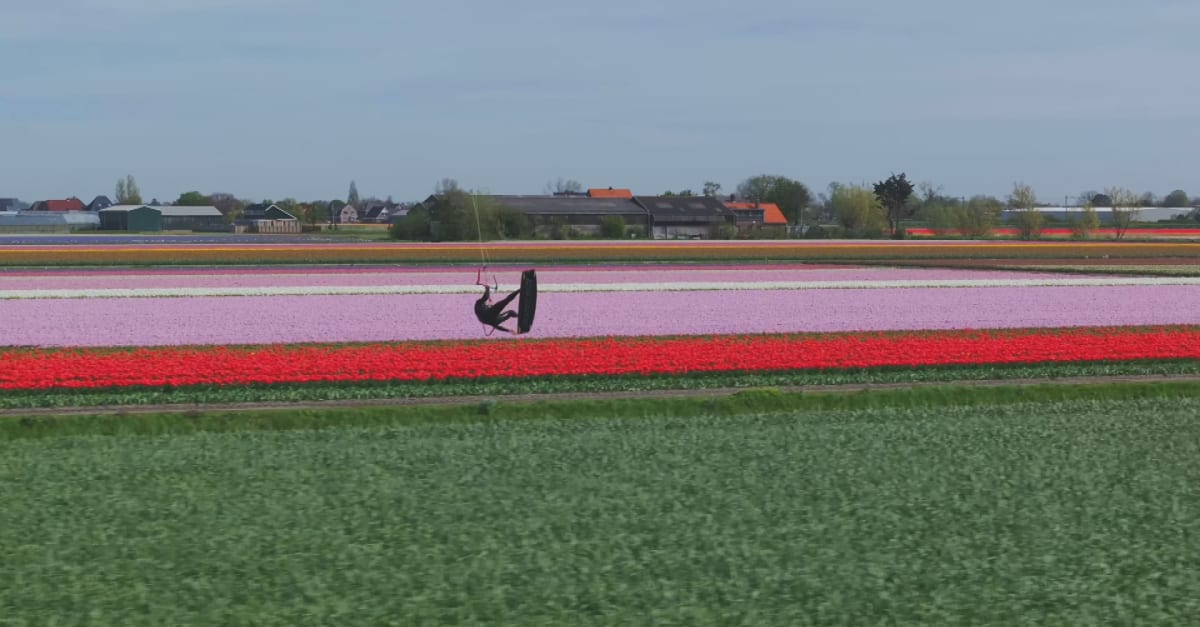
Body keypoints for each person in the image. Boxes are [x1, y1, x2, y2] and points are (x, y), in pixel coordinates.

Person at [474, 267, 520, 335]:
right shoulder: (480, 305)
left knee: (509, 309)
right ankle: (520, 290)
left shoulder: (480, 306)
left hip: (488, 317)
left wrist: (509, 331)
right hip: (488, 316)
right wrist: (487, 289)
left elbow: (498, 327)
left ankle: (519, 315)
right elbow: (498, 327)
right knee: (506, 302)